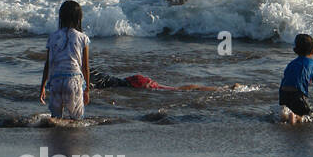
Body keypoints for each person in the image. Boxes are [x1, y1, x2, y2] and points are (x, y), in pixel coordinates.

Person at [38, 0, 90, 120]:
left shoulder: (52, 37)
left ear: (61, 17)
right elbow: (85, 66)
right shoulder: (83, 38)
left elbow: (48, 64)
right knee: (77, 120)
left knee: (55, 119)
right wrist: (87, 89)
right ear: (79, 18)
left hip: (55, 81)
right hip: (74, 81)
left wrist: (42, 87)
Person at [278, 34, 313, 123]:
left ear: (295, 50)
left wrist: (281, 102)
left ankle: (287, 116)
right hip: (298, 96)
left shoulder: (290, 64)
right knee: (312, 118)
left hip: (283, 95)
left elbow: (284, 82)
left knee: (290, 112)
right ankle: (296, 117)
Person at [88, 68, 235, 92]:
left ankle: (223, 89)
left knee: (176, 91)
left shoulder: (86, 77)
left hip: (136, 84)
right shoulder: (89, 72)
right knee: (175, 90)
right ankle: (223, 89)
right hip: (134, 81)